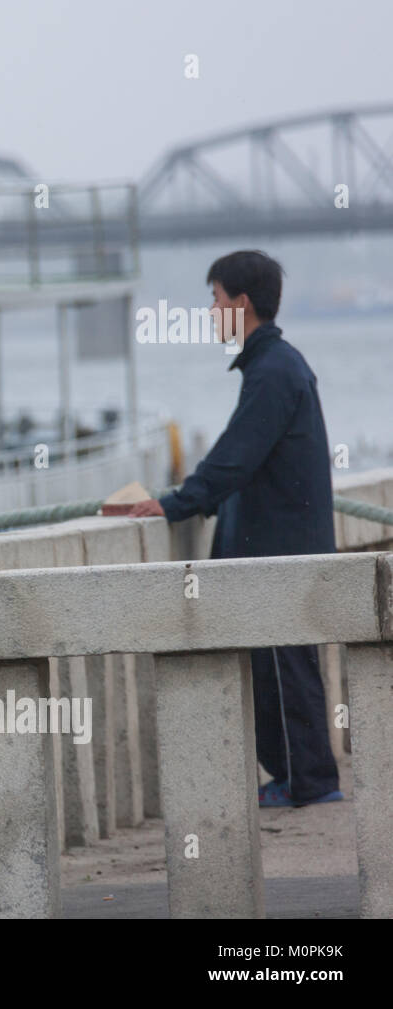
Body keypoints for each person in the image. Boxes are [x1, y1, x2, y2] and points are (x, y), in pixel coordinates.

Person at [128, 250, 342, 808]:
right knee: (281, 666)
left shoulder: (272, 371)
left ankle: (311, 783)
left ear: (241, 303)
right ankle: (304, 779)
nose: (211, 309)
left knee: (283, 668)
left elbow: (235, 457)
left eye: (216, 298)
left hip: (278, 551)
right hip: (283, 546)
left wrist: (177, 502)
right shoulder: (277, 365)